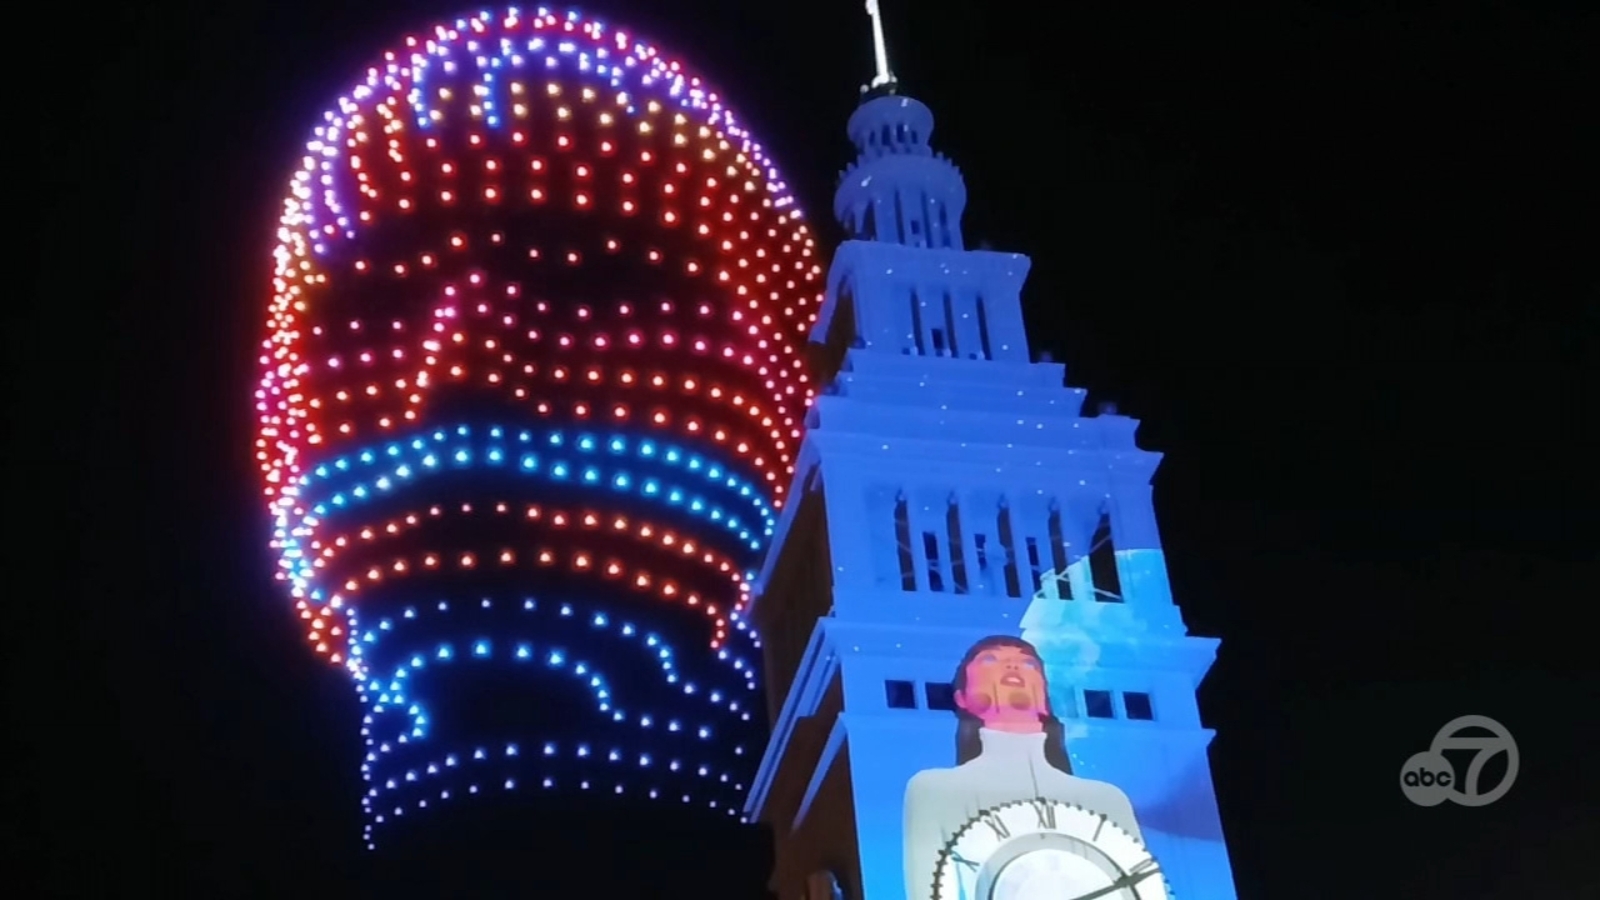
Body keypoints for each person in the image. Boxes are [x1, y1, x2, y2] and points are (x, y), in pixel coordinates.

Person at [902, 636, 1142, 900]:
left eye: (1027, 664)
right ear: (961, 697)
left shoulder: (1105, 799)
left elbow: (1139, 886)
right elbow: (929, 889)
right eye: (991, 659)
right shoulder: (935, 789)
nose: (1012, 666)